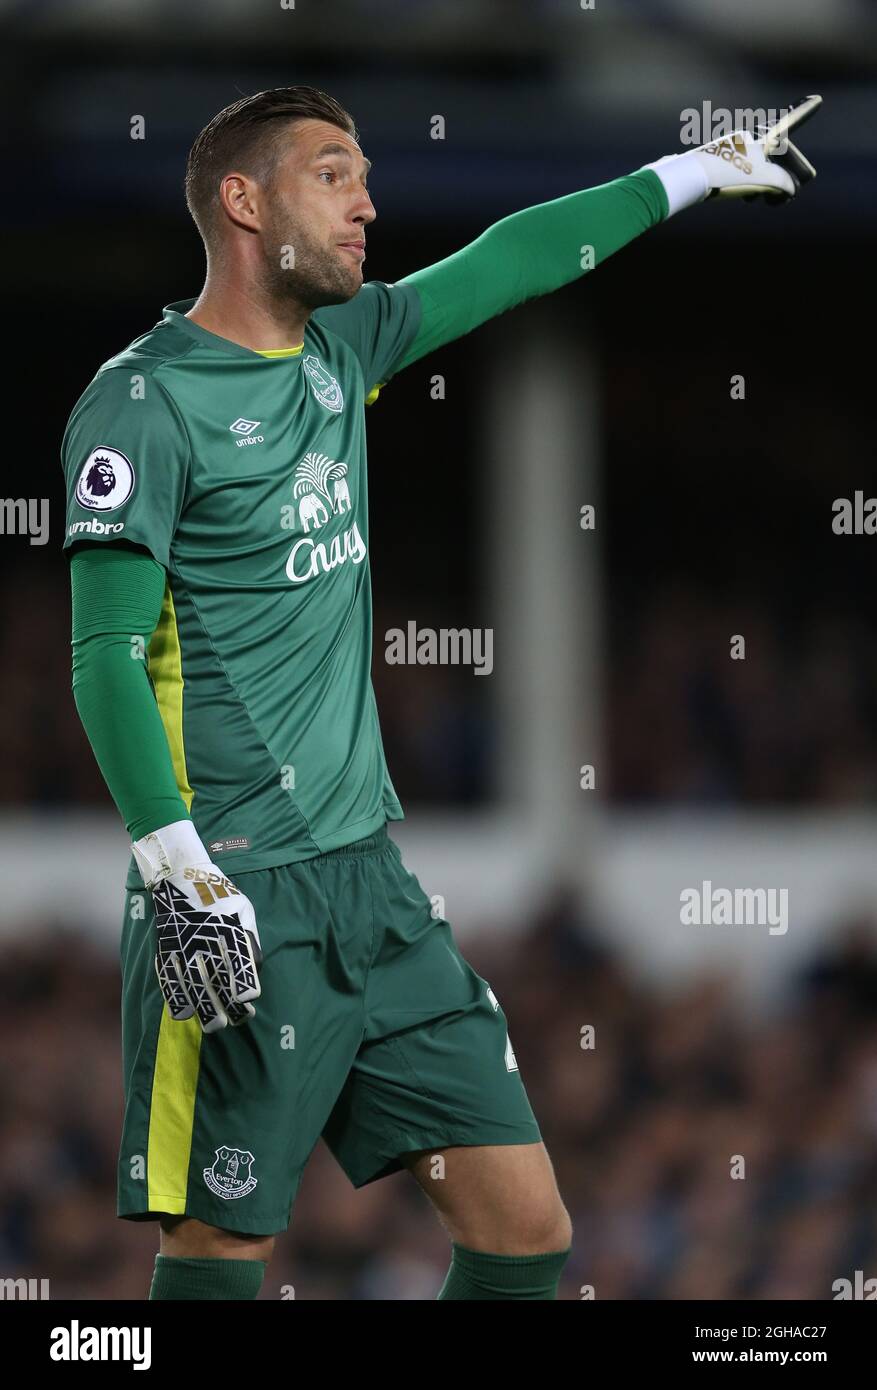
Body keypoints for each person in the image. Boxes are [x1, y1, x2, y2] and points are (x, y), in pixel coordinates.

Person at [61, 85, 818, 1300]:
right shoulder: (143, 403)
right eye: (332, 175)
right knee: (218, 1253)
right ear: (244, 202)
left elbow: (505, 260)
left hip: (372, 885)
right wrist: (175, 865)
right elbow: (101, 655)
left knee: (526, 1231)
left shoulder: (340, 350)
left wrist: (686, 172)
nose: (368, 203)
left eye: (365, 176)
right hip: (230, 885)